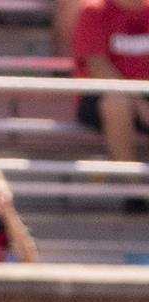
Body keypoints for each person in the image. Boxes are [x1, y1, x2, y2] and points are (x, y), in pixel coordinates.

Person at [73, 0, 149, 199]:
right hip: (102, 93)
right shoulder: (95, 11)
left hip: (144, 93)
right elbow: (97, 64)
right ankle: (133, 190)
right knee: (116, 105)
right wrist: (138, 101)